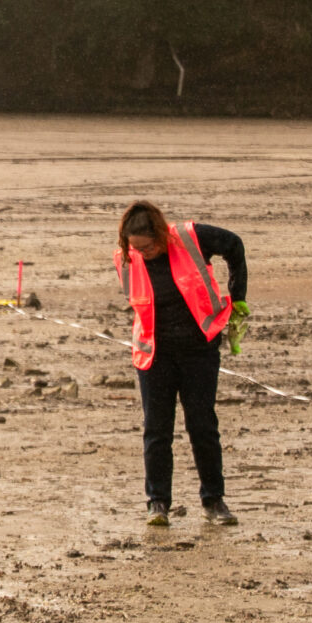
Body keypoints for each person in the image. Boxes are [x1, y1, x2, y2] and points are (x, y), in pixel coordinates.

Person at [115, 200, 249, 528]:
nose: (141, 254)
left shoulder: (191, 238)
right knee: (157, 430)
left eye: (146, 247)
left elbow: (234, 246)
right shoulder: (126, 258)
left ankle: (214, 500)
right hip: (153, 355)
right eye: (135, 248)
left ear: (160, 235)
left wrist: (238, 296)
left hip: (199, 351)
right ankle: (157, 503)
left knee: (202, 426)